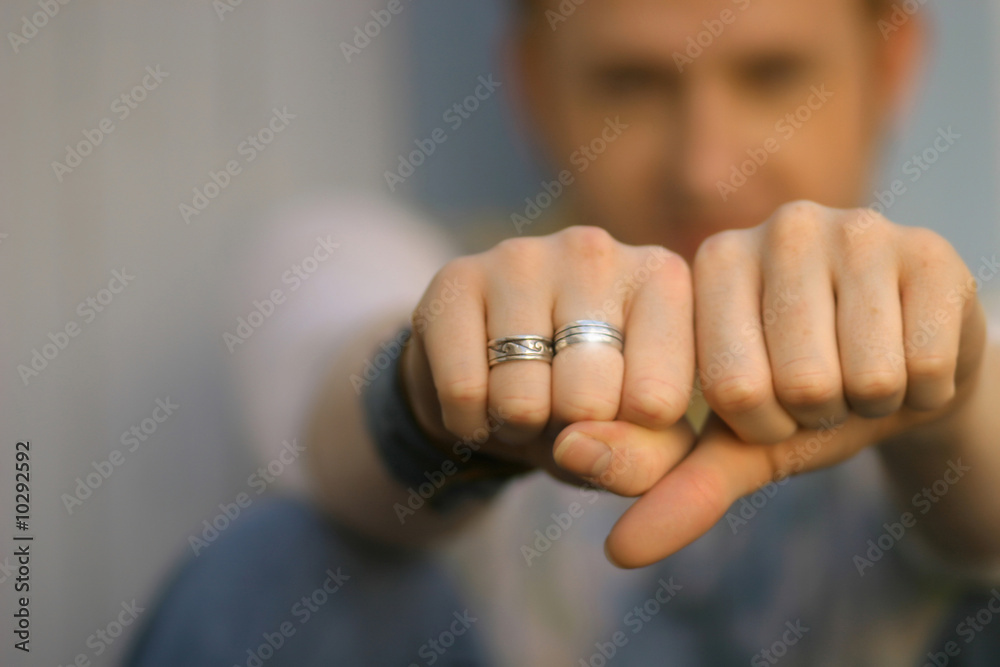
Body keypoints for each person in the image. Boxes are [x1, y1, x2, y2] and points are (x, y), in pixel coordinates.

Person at [126, 0, 1000, 665]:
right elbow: (334, 362)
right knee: (272, 566)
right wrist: (427, 398)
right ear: (535, 82)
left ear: (890, 66)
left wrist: (947, 416)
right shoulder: (376, 261)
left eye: (771, 76)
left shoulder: (967, 331)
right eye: (631, 84)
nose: (704, 166)